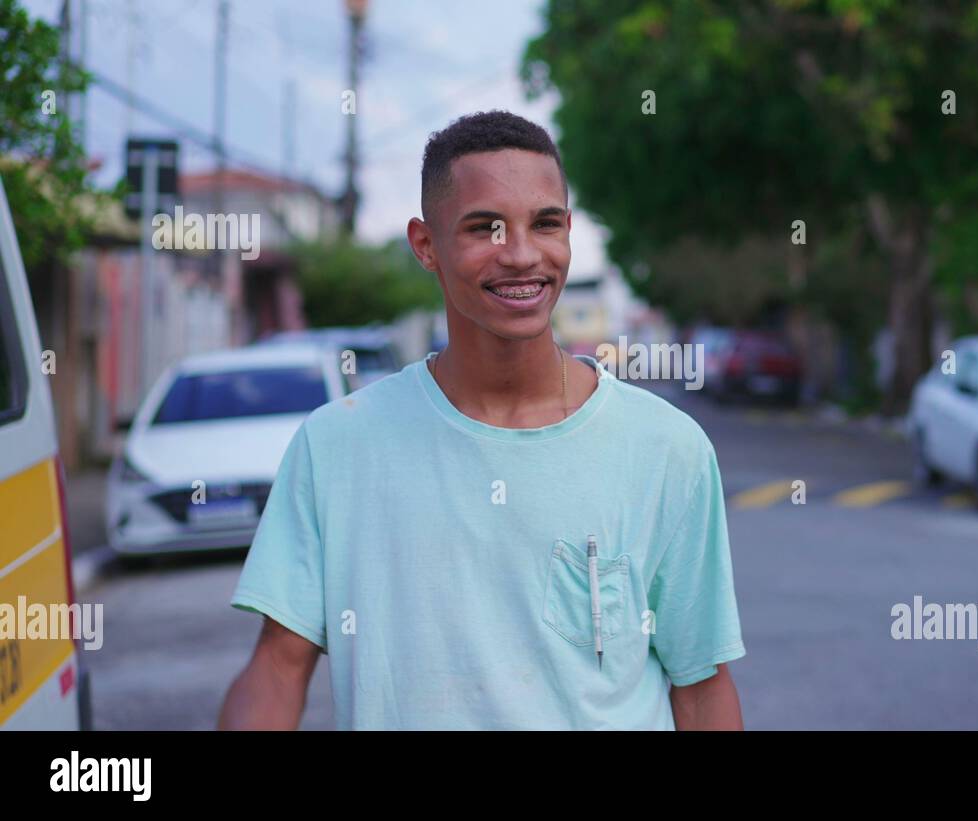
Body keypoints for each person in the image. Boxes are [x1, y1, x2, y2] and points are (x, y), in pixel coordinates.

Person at [218, 110, 745, 730]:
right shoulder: (337, 444)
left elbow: (701, 686)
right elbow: (278, 671)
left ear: (569, 233)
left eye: (545, 223)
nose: (522, 255)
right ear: (425, 245)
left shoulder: (667, 447)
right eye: (485, 228)